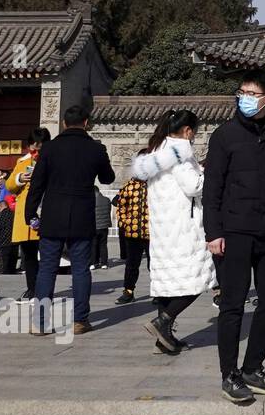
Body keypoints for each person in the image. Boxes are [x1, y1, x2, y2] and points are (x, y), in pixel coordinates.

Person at [203, 69, 265, 404]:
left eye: (251, 92)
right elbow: (212, 188)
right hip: (234, 232)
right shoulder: (225, 136)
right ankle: (229, 374)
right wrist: (213, 231)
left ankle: (253, 367)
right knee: (232, 304)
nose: (244, 97)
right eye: (241, 92)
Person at [131, 109, 216, 355]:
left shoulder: (158, 152)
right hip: (183, 228)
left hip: (164, 228)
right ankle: (163, 321)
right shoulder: (180, 153)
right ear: (187, 131)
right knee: (197, 280)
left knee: (168, 284)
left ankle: (164, 338)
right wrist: (206, 172)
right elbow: (193, 186)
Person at [25, 106, 115, 335]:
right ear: (86, 122)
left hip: (53, 215)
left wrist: (30, 213)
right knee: (81, 269)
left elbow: (37, 183)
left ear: (64, 123)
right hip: (82, 215)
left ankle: (40, 323)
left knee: (46, 269)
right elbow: (108, 177)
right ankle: (79, 320)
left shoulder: (49, 149)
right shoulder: (95, 149)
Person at [5, 128, 51, 301]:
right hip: (25, 215)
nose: (36, 151)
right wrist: (19, 179)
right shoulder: (22, 161)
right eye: (34, 147)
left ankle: (43, 290)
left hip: (45, 211)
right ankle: (32, 288)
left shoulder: (51, 160)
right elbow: (9, 186)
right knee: (29, 255)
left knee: (47, 255)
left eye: (39, 148)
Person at [112, 164, 151, 304]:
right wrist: (124, 223)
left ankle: (159, 293)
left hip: (151, 232)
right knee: (131, 264)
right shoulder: (129, 186)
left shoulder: (155, 185)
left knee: (154, 264)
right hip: (132, 232)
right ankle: (128, 291)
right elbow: (120, 206)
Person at [90, 186, 112, 270]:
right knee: (103, 245)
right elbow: (109, 211)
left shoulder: (91, 201)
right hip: (105, 226)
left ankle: (93, 263)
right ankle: (104, 263)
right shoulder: (107, 200)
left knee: (93, 245)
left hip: (94, 226)